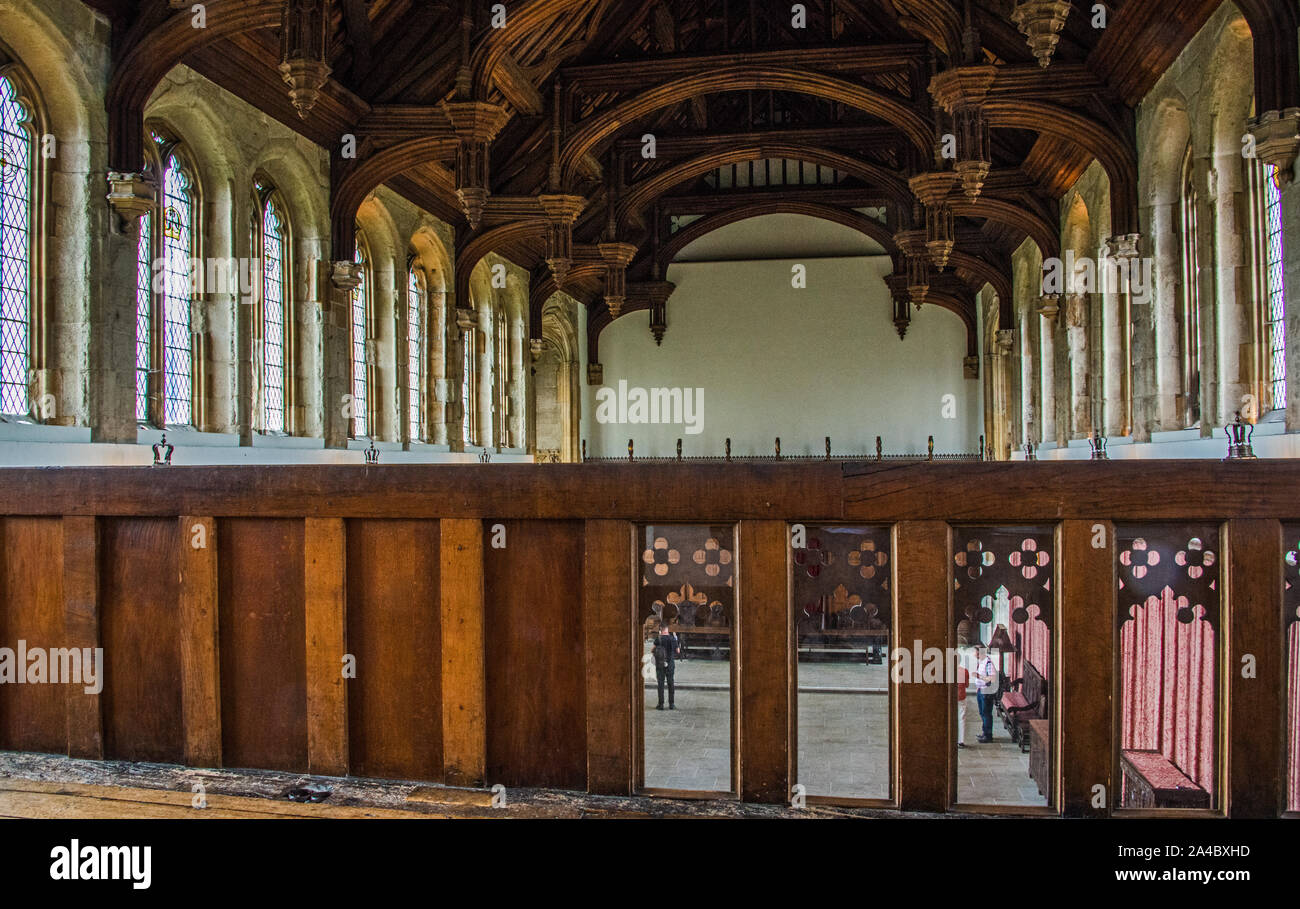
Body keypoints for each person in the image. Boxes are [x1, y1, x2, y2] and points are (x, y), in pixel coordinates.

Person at [971, 643, 998, 743]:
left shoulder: (988, 663)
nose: (974, 654)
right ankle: (984, 732)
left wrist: (979, 677)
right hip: (980, 690)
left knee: (986, 713)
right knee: (982, 713)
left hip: (986, 692)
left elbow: (992, 678)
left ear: (979, 653)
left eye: (975, 652)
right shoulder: (982, 662)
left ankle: (988, 735)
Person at [653, 623, 680, 710]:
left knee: (660, 684)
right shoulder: (672, 638)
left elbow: (652, 650)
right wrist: (676, 639)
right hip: (670, 664)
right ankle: (671, 704)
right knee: (670, 683)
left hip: (660, 664)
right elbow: (678, 651)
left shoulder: (658, 638)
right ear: (667, 630)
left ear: (661, 630)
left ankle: (661, 705)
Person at [956, 658, 970, 749]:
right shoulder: (964, 671)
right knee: (961, 718)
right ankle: (960, 741)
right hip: (961, 696)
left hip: (950, 697)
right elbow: (967, 685)